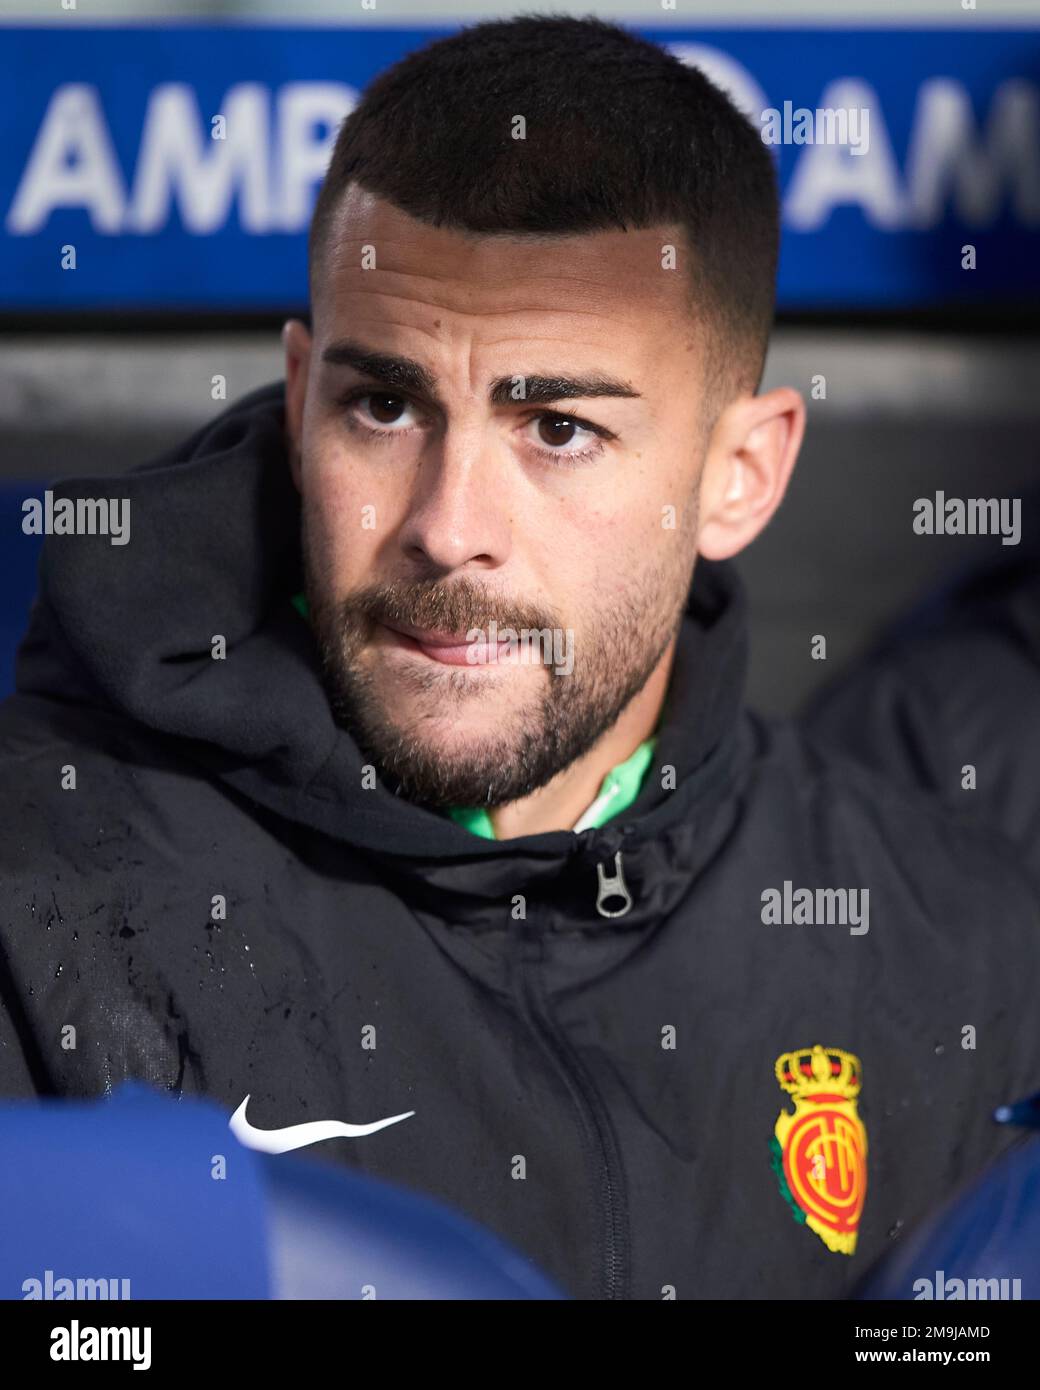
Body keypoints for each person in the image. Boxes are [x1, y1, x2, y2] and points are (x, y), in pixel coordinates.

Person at [1, 15, 1037, 1301]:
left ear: (740, 474)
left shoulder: (972, 953)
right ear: (299, 381)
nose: (446, 527)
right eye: (383, 406)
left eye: (556, 426)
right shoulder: (37, 897)